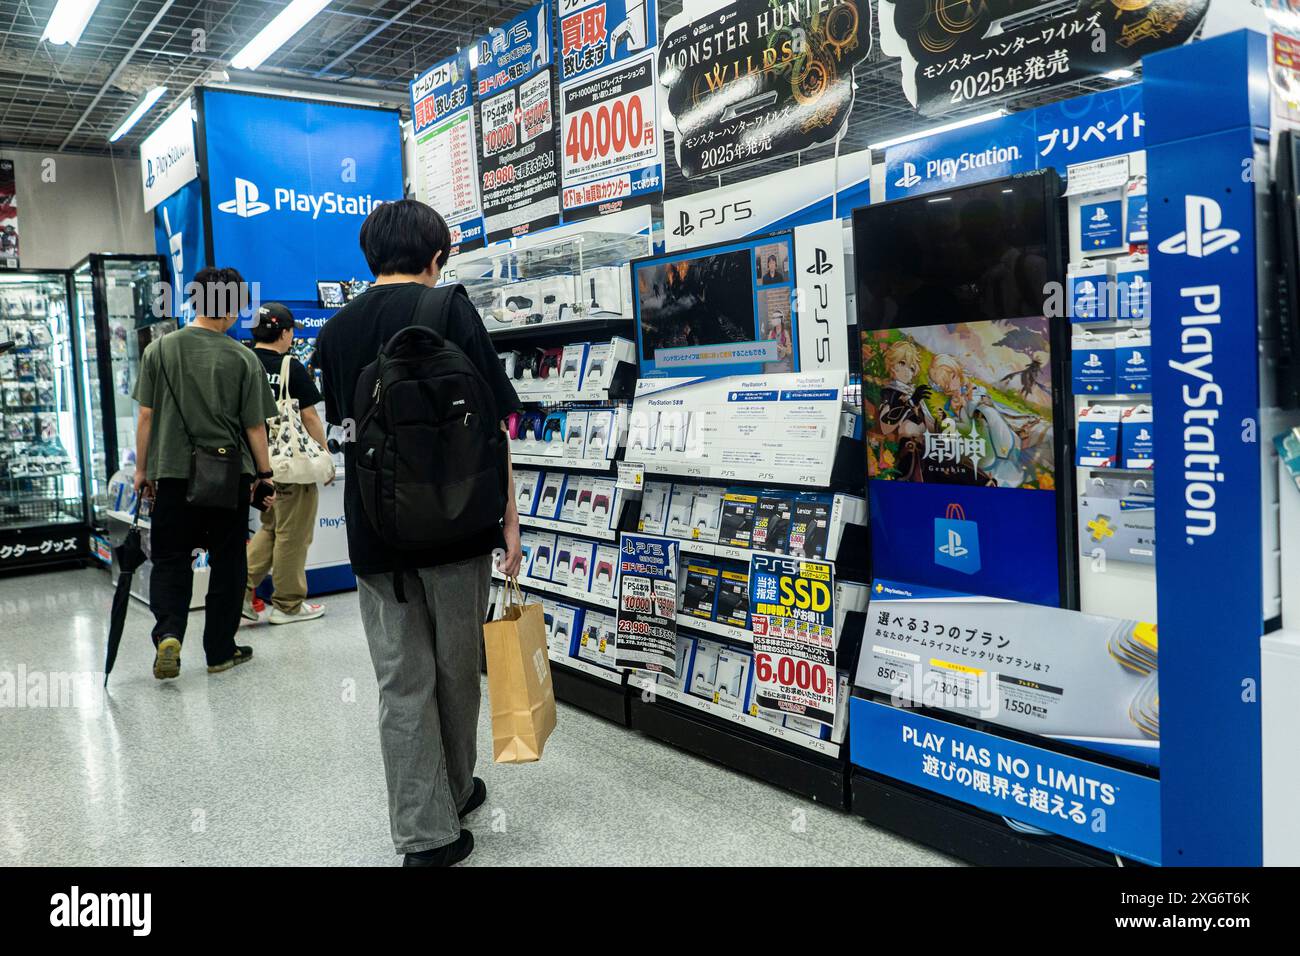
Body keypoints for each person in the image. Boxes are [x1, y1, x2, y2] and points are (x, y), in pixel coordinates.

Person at [313, 200, 523, 868]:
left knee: (402, 683)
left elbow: (346, 431)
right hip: (461, 529)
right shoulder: (452, 309)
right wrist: (509, 522)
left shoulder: (337, 332)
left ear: (369, 256)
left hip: (377, 536)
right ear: (437, 256)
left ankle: (423, 836)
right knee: (458, 672)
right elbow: (496, 426)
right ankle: (455, 791)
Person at [132, 266, 278, 679]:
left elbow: (146, 416)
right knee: (229, 563)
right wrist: (264, 474)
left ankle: (168, 634)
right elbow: (255, 426)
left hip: (172, 476)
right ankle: (219, 651)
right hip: (228, 478)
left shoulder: (158, 351)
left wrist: (143, 471)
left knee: (170, 559)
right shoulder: (243, 358)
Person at [243, 302, 332, 625]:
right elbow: (309, 415)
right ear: (285, 332)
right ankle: (288, 604)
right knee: (292, 534)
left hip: (256, 463)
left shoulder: (244, 360)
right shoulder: (289, 366)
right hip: (289, 464)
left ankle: (239, 590)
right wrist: (323, 455)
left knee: (270, 528)